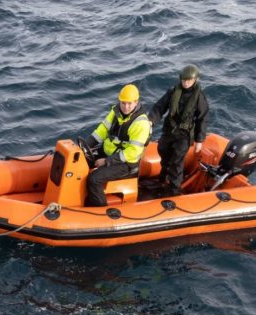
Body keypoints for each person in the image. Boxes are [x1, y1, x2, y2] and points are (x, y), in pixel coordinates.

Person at [84, 84, 152, 207]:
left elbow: (133, 152)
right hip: (109, 152)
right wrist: (86, 145)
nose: (126, 107)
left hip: (126, 163)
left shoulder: (141, 123)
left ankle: (101, 210)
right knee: (83, 160)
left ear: (136, 102)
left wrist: (106, 161)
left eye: (129, 104)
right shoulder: (115, 112)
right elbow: (102, 130)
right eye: (123, 103)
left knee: (94, 179)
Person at [148, 64, 210, 195]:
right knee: (162, 150)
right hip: (169, 129)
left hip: (184, 134)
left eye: (189, 80)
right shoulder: (173, 91)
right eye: (184, 80)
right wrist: (150, 121)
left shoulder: (199, 97)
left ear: (195, 80)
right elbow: (159, 107)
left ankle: (174, 190)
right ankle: (163, 179)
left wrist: (199, 140)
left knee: (177, 160)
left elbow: (202, 118)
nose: (186, 83)